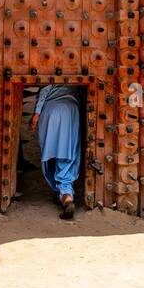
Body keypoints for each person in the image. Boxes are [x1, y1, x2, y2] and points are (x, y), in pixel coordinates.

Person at [31, 83, 82, 219]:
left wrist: (37, 113)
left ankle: (62, 192)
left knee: (50, 152)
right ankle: (65, 194)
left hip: (51, 109)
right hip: (71, 110)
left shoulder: (49, 73)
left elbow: (45, 90)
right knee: (69, 151)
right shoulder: (74, 74)